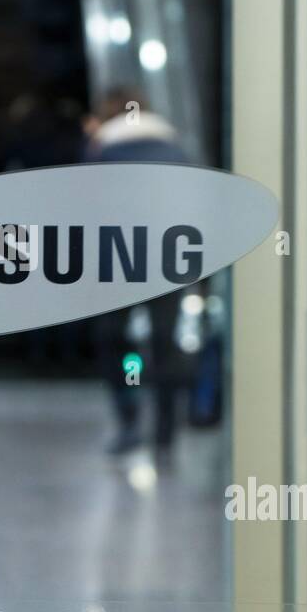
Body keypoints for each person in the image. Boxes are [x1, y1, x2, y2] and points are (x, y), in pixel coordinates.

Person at [84, 89, 192, 467]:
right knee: (165, 343)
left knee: (117, 340)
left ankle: (130, 419)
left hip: (118, 259)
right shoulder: (177, 151)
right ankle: (165, 430)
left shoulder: (102, 153)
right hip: (169, 256)